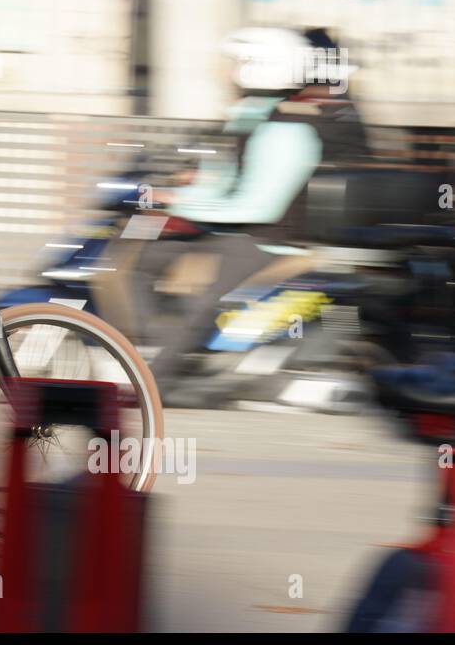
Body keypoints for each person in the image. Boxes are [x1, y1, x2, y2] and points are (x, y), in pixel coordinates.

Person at [96, 26, 370, 390]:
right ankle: (162, 348)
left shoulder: (287, 130)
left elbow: (257, 206)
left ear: (260, 67)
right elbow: (222, 180)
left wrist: (182, 203)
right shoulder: (249, 117)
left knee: (205, 299)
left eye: (238, 63)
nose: (229, 72)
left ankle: (152, 384)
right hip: (234, 234)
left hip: (268, 242)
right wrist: (170, 192)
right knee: (138, 261)